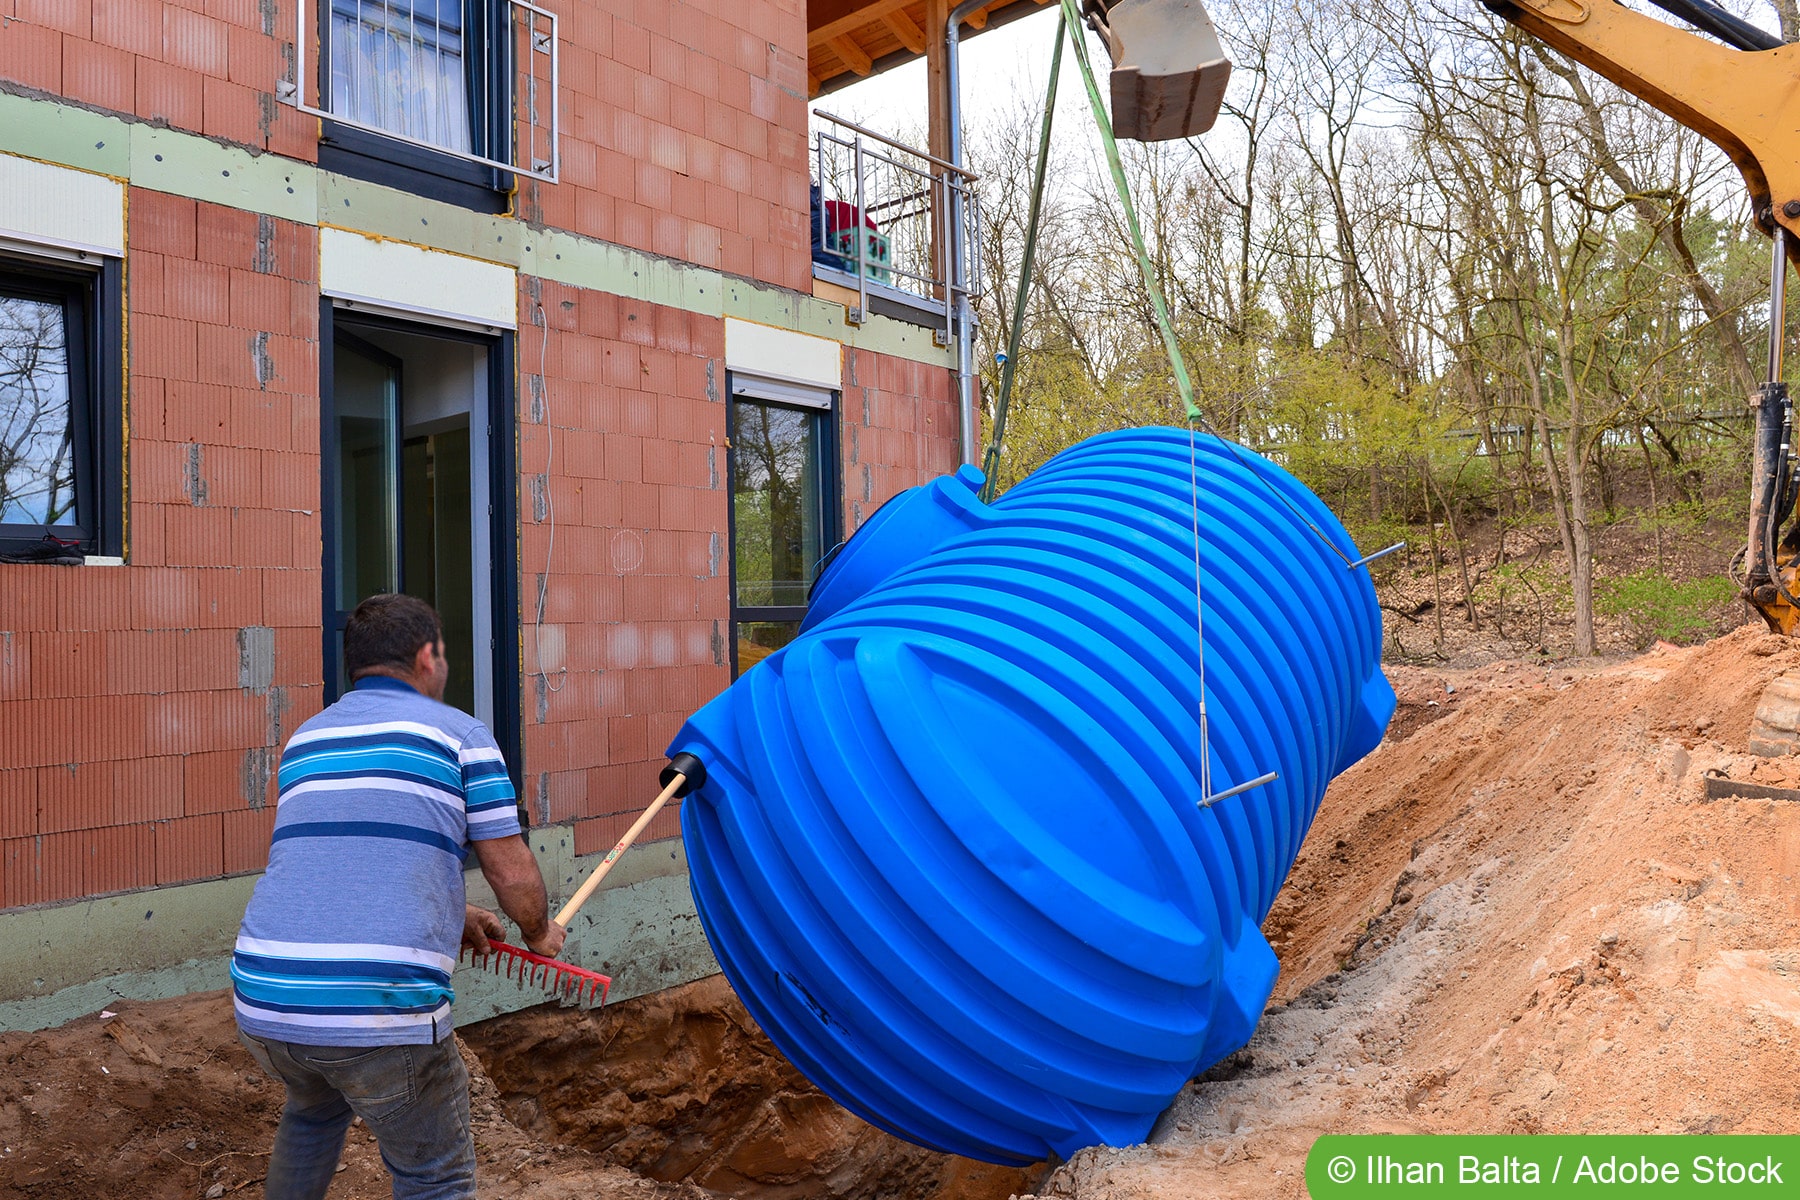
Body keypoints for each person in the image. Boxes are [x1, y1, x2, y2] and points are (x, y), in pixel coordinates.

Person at [230, 593, 565, 1200]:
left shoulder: (307, 738)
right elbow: (510, 871)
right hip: (378, 1008)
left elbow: (336, 860)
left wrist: (452, 911)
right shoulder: (459, 734)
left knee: (313, 1112)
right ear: (425, 658)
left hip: (267, 999)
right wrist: (540, 934)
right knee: (434, 1175)